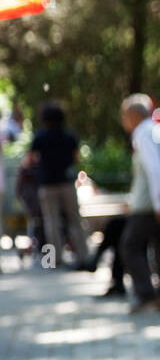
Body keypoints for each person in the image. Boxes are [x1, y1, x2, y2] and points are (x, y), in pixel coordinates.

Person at [120, 94, 160, 313]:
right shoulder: (158, 130)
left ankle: (146, 294)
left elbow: (155, 170)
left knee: (131, 245)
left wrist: (159, 204)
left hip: (150, 204)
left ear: (132, 116)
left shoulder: (144, 133)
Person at [30, 102, 92, 269]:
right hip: (66, 182)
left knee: (52, 222)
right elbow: (76, 158)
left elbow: (31, 159)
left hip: (47, 184)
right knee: (75, 220)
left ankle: (55, 259)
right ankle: (83, 255)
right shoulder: (69, 136)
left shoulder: (40, 136)